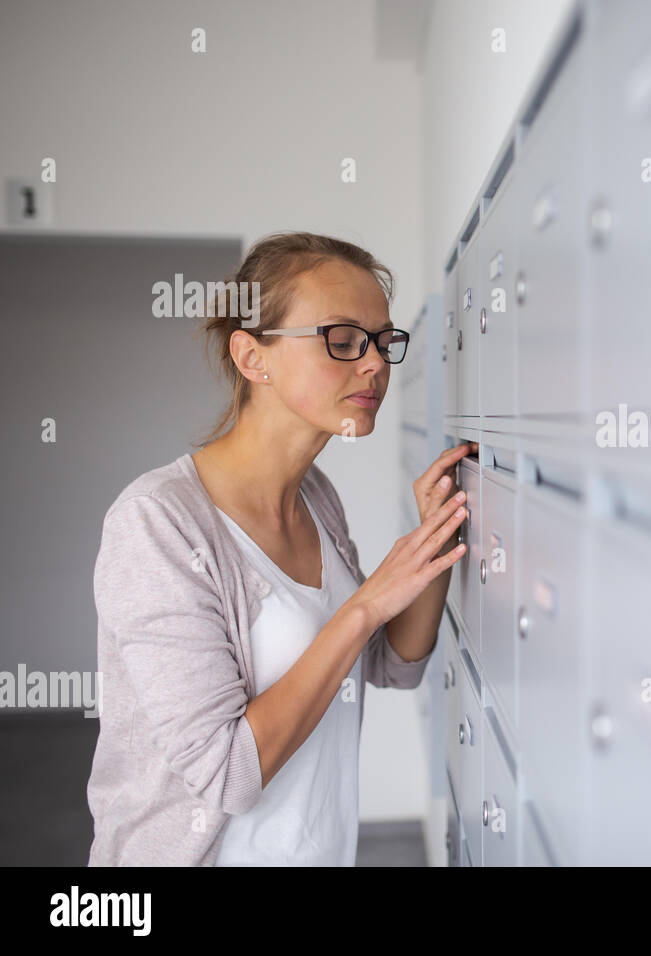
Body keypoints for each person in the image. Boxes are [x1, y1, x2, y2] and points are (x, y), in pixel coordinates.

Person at [86, 231, 474, 865]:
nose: (374, 363)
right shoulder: (157, 524)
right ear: (252, 357)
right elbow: (227, 773)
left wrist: (437, 536)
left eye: (382, 341)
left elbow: (392, 666)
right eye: (342, 340)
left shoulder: (315, 496)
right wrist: (365, 605)